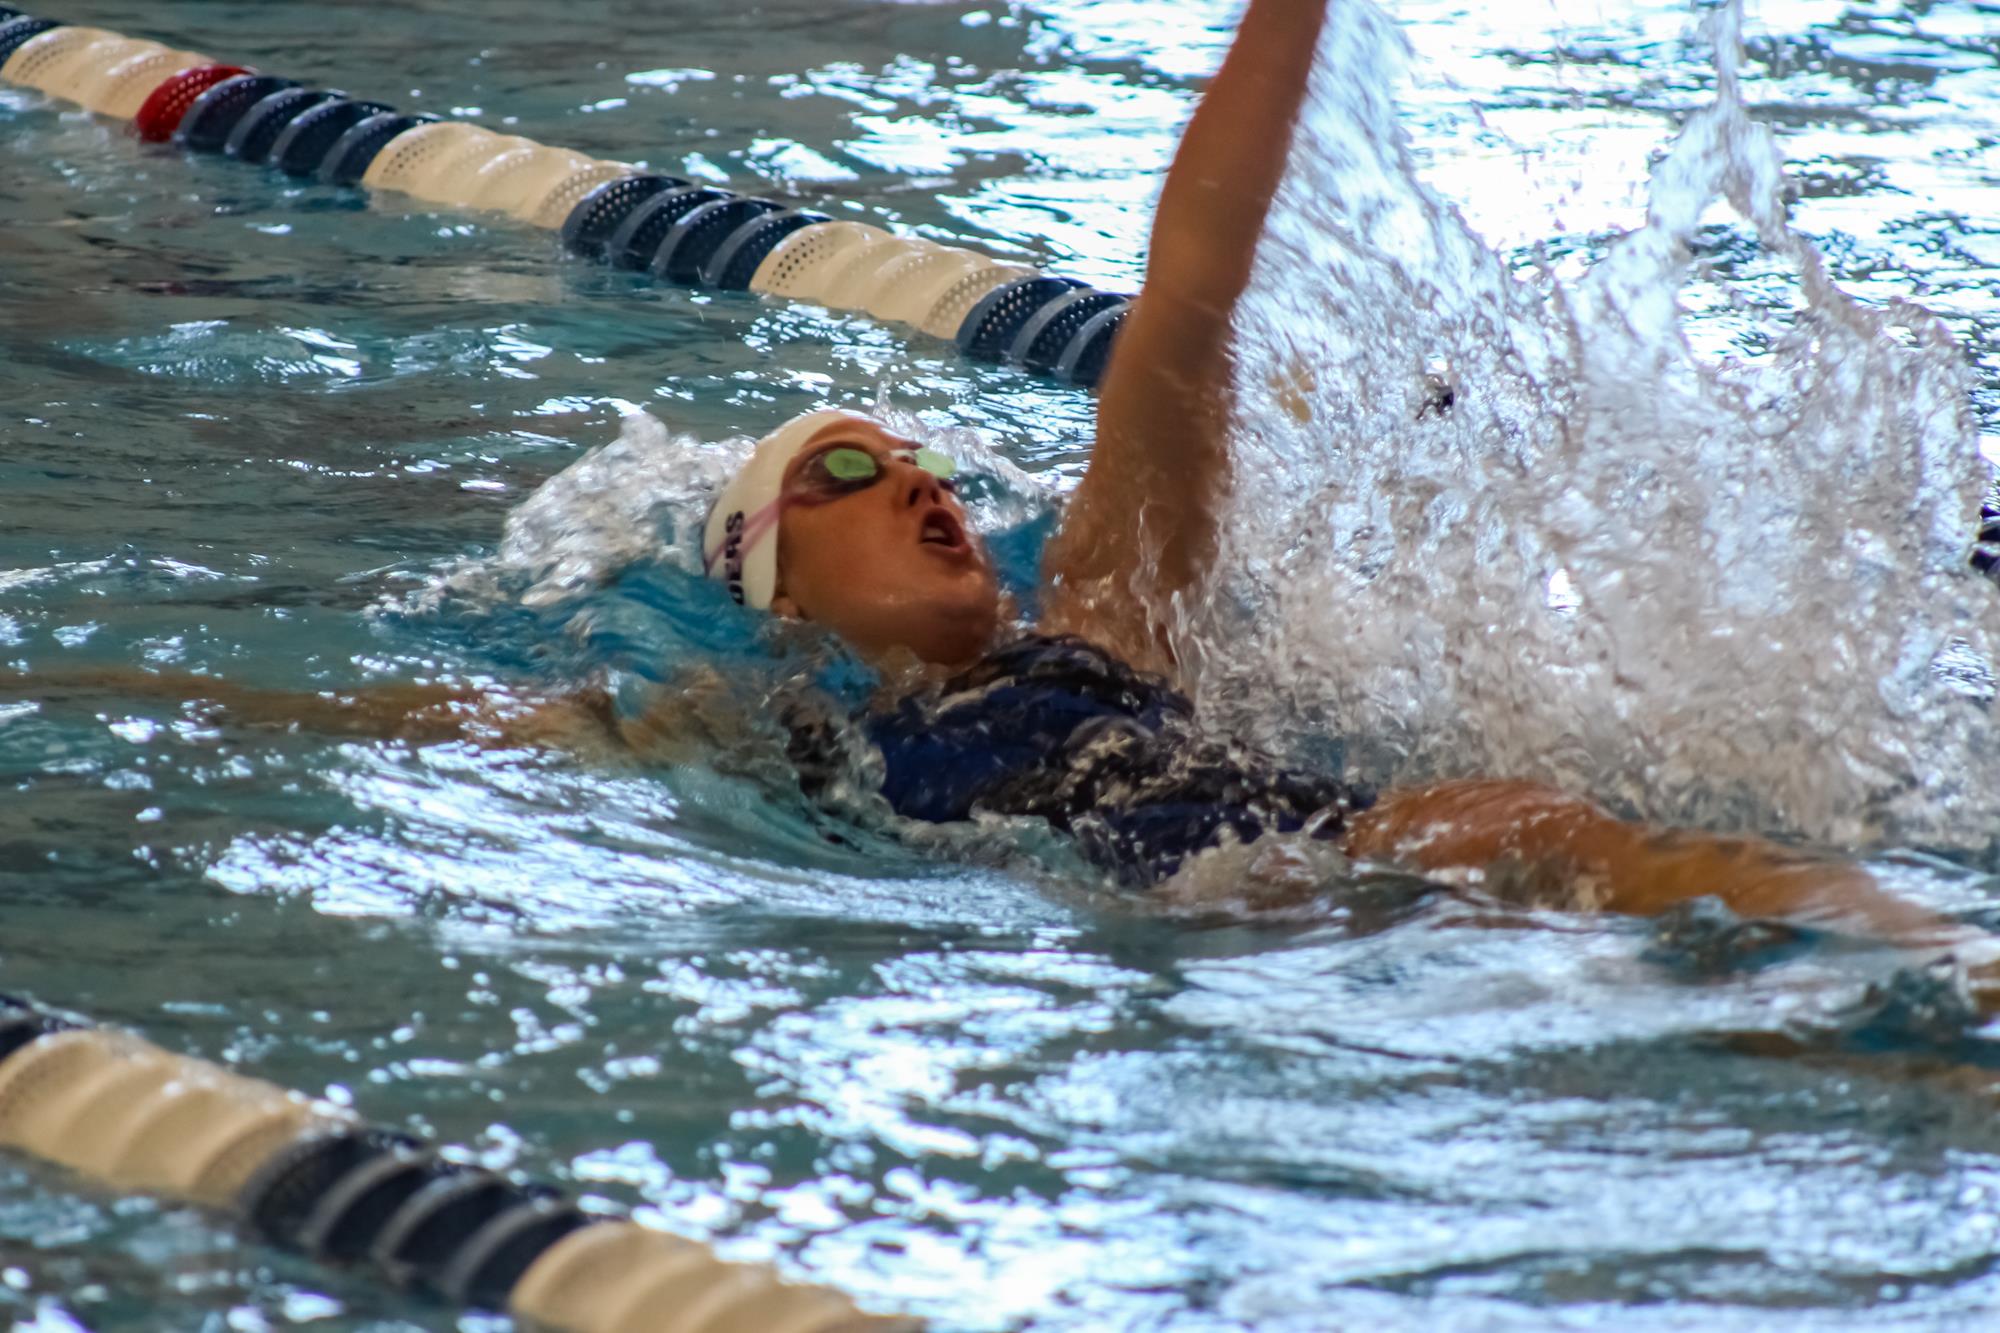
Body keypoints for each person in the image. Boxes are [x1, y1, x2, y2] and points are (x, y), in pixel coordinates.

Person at [0, 0, 1966, 951]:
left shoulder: (1101, 610)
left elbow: (1185, 308)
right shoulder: (752, 732)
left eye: (923, 455)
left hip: (1321, 854)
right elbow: (393, 732)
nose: (919, 474)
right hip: (1211, 938)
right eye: (849, 469)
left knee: (1542, 821)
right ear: (771, 576)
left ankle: (1936, 981)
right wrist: (77, 697)